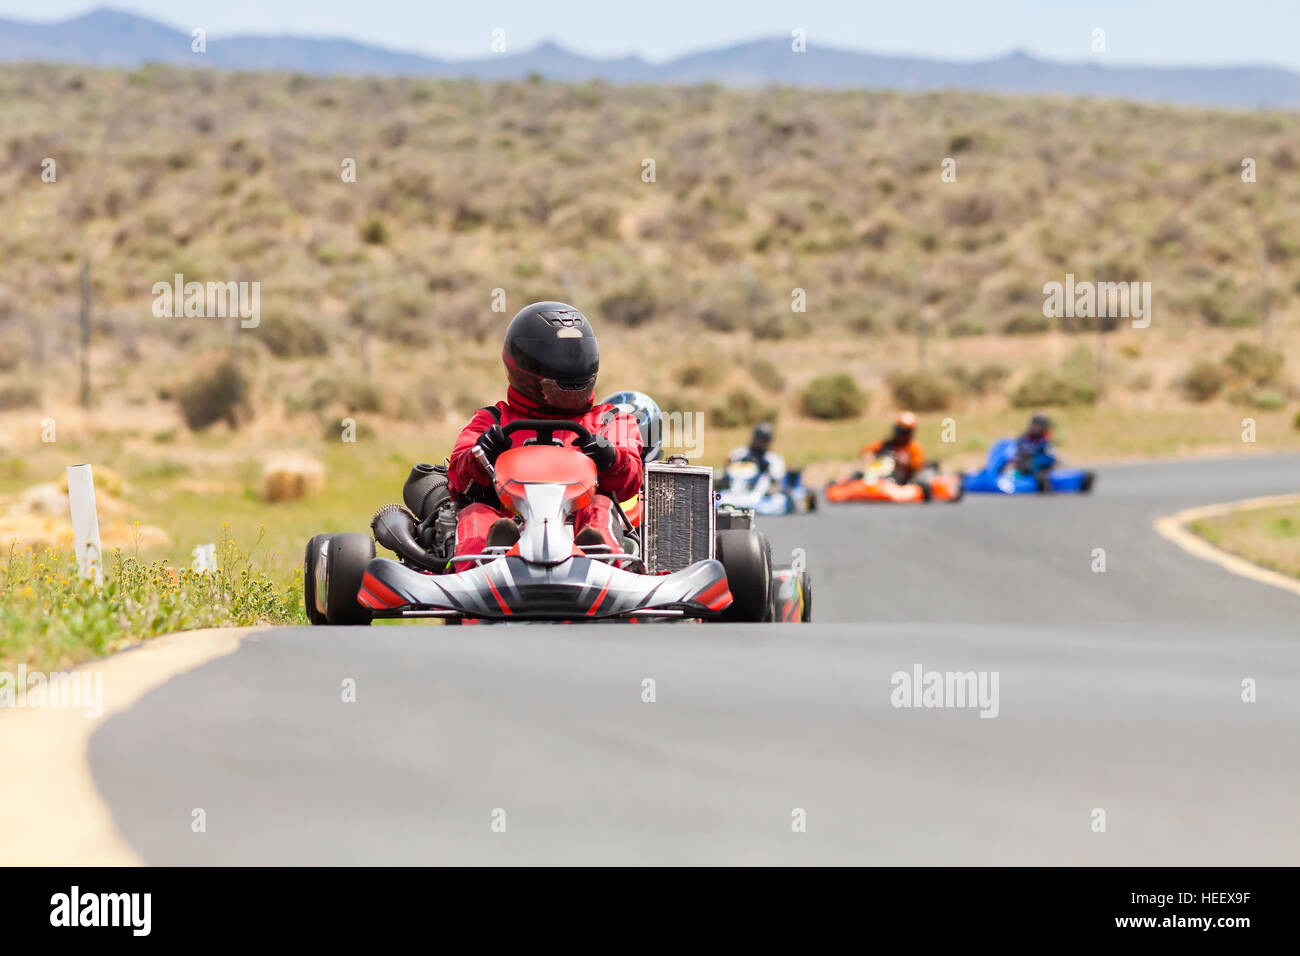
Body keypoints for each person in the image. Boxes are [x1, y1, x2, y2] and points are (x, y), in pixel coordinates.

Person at [447, 302, 643, 566]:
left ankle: (599, 557)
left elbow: (631, 476)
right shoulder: (493, 420)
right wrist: (480, 453)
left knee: (598, 505)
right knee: (476, 512)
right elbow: (459, 478)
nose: (571, 387)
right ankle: (487, 561)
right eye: (561, 382)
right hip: (511, 520)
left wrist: (610, 457)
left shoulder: (609, 419)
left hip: (575, 528)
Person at [863, 411, 925, 484]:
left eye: (902, 431)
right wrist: (868, 455)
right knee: (857, 475)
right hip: (879, 474)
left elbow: (918, 465)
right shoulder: (885, 444)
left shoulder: (914, 447)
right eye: (898, 429)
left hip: (901, 478)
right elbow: (867, 450)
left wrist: (907, 463)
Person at [1013, 413, 1056, 491]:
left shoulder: (1044, 442)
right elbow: (1015, 450)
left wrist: (1035, 459)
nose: (1035, 427)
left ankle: (1046, 488)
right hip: (1021, 465)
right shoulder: (1023, 439)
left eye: (1038, 426)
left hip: (1038, 467)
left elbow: (1050, 458)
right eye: (1034, 425)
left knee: (1041, 477)